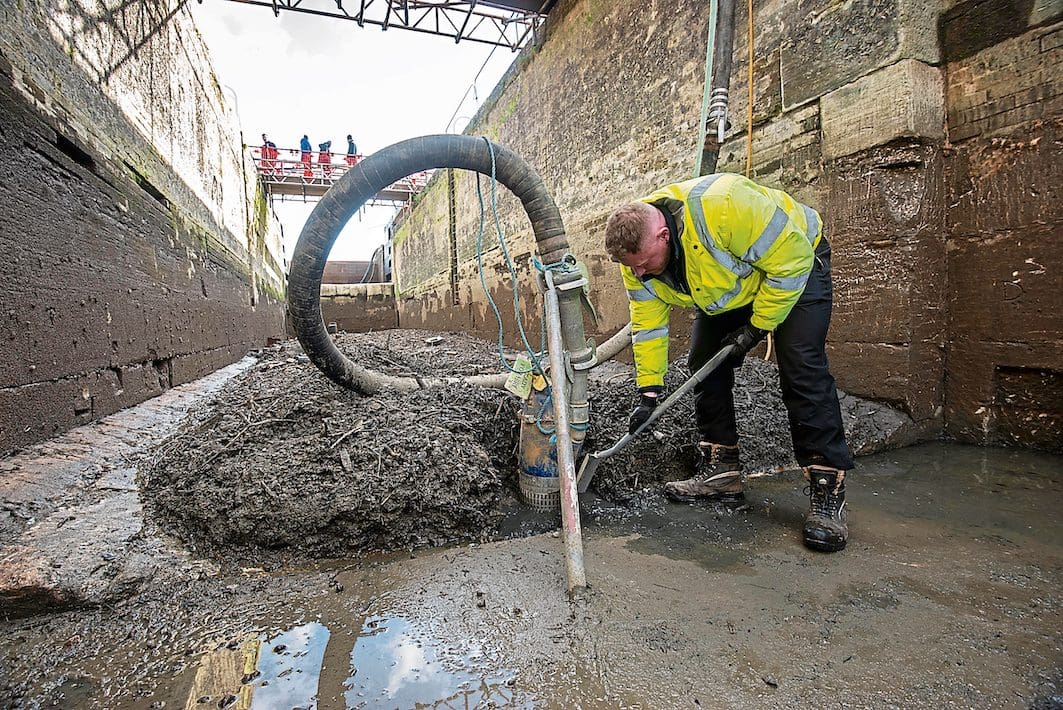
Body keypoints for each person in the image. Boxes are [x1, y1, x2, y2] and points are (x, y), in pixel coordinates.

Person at [604, 173, 854, 553]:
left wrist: (757, 328)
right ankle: (722, 472)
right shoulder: (635, 259)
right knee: (705, 362)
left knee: (801, 365)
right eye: (633, 268)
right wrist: (648, 393)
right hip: (729, 284)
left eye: (643, 264)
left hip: (797, 262)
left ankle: (826, 487)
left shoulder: (725, 206)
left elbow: (791, 263)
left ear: (663, 236)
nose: (638, 273)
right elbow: (649, 327)